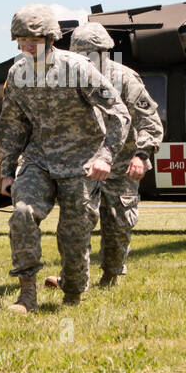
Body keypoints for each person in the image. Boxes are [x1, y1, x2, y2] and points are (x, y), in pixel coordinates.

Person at [0, 4, 130, 313]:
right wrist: (7, 170)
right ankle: (27, 295)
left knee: (74, 236)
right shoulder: (17, 74)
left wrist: (105, 156)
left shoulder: (78, 68)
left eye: (35, 39)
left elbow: (119, 114)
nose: (28, 45)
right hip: (38, 161)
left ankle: (72, 292)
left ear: (51, 38)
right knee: (22, 213)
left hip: (80, 164)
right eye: (21, 39)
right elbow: (12, 125)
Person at [43, 22, 162, 290]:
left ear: (106, 53)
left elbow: (150, 121)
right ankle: (71, 278)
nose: (89, 60)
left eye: (96, 54)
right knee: (75, 222)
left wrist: (142, 155)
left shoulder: (125, 79)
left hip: (120, 165)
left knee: (118, 223)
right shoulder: (65, 79)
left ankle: (110, 276)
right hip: (83, 164)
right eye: (82, 55)